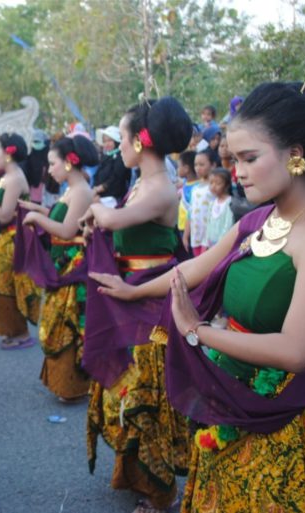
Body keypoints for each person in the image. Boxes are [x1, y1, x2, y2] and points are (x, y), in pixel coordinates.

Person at [89, 81, 305, 513]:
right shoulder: (260, 219)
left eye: (249, 158)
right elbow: (189, 271)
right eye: (232, 159)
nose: (237, 172)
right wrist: (133, 290)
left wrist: (197, 332)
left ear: (295, 154)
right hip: (230, 389)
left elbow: (296, 351)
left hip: (283, 411)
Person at [80, 97, 193, 513]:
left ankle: (161, 491)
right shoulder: (144, 182)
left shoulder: (160, 186)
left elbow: (111, 221)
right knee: (132, 387)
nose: (117, 148)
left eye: (122, 139)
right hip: (135, 292)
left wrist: (94, 209)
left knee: (148, 391)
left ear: (140, 141)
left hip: (154, 301)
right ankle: (141, 478)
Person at [18, 134, 97, 400]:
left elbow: (66, 230)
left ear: (68, 163)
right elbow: (60, 218)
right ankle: (66, 383)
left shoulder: (82, 191)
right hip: (63, 264)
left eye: (52, 163)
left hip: (73, 266)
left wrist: (37, 219)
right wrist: (37, 210)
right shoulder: (72, 190)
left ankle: (73, 385)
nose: (48, 168)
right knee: (58, 321)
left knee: (68, 322)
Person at [0, 133, 41, 349]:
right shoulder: (6, 177)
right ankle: (11, 330)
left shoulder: (15, 178)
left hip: (13, 240)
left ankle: (21, 333)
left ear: (8, 155)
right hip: (4, 239)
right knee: (1, 283)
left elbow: (5, 215)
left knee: (5, 284)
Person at [183, 151, 216, 256]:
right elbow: (190, 213)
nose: (197, 168)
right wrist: (185, 235)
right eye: (196, 165)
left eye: (201, 165)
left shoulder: (215, 187)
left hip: (210, 238)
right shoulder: (195, 188)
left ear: (213, 165)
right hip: (196, 237)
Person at [93, 125, 131, 206]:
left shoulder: (121, 157)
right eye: (104, 141)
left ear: (116, 141)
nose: (106, 144)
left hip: (114, 199)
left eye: (110, 140)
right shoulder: (105, 156)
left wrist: (101, 188)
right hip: (100, 197)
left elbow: (117, 178)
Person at [204, 167, 234, 247]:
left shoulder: (230, 203)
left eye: (218, 183)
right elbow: (208, 224)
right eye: (211, 183)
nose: (213, 186)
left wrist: (220, 245)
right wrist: (206, 242)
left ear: (227, 185)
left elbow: (228, 225)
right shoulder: (212, 203)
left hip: (223, 245)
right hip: (211, 244)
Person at [176, 150, 198, 237]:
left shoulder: (195, 188)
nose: (177, 169)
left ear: (186, 168)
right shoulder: (187, 182)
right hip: (181, 225)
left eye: (178, 167)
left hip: (188, 229)